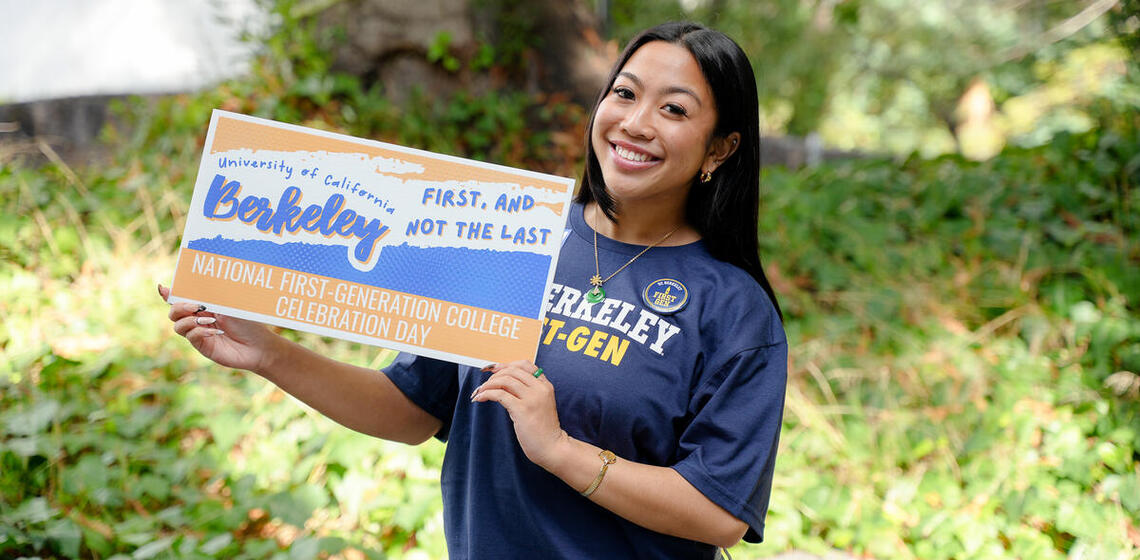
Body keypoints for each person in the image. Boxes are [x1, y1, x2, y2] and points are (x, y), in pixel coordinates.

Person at [160, 21, 787, 559]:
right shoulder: (514, 237)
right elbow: (412, 408)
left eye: (674, 109)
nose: (635, 122)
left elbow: (718, 509)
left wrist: (559, 450)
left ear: (720, 149)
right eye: (624, 94)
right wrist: (268, 353)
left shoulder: (733, 311)